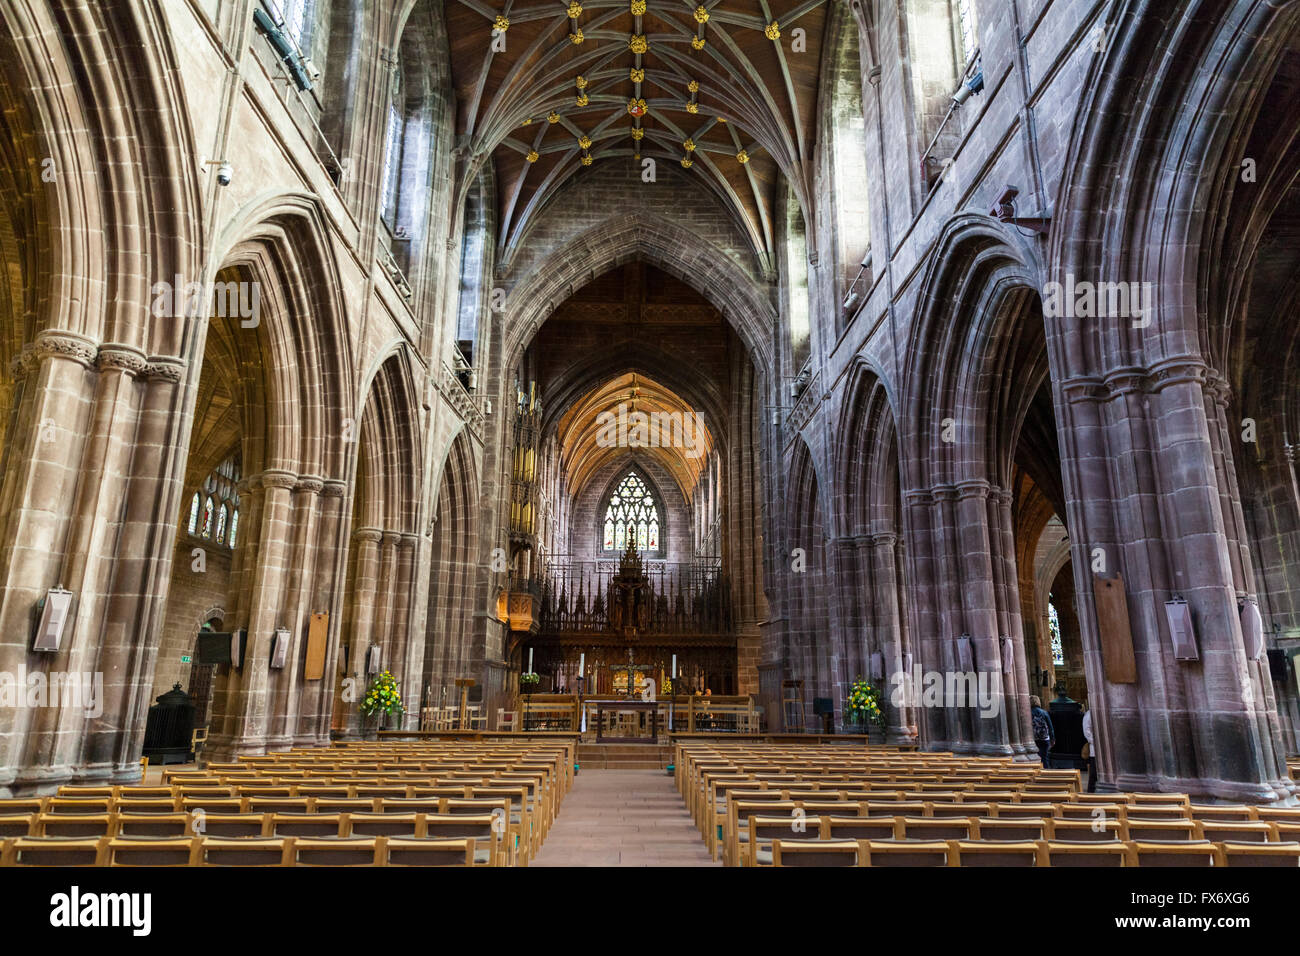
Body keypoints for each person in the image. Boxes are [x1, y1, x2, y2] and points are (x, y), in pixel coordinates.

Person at [1030, 695, 1055, 766]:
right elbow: (1050, 727)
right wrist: (1052, 739)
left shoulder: (1028, 713)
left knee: (1035, 757)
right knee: (1045, 757)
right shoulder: (1044, 712)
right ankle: (1046, 773)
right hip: (1045, 738)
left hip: (1033, 739)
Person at [1081, 703, 1096, 792]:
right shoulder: (1089, 714)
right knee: (1094, 773)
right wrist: (1096, 742)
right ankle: (1091, 792)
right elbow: (1087, 731)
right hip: (1095, 747)